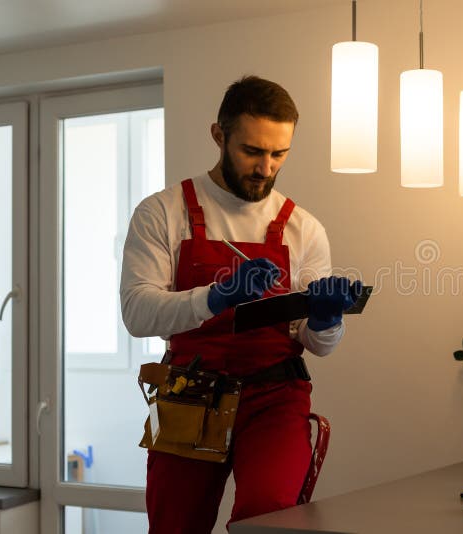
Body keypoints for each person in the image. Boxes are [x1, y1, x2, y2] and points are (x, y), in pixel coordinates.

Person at [120, 75, 361, 533]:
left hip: (275, 398)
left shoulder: (304, 228)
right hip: (188, 392)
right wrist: (216, 297)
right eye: (252, 151)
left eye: (279, 154)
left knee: (267, 523)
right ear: (219, 135)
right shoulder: (162, 212)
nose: (266, 168)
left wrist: (326, 320)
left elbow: (318, 344)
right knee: (174, 525)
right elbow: (137, 312)